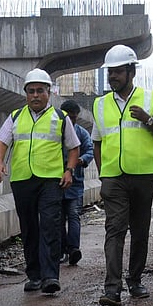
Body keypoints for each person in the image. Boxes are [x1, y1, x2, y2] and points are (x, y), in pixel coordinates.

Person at [92, 44, 153, 306]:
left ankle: (135, 280)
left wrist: (148, 120)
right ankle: (111, 289)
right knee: (114, 230)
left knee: (140, 230)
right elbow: (97, 142)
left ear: (130, 71)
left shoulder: (151, 98)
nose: (112, 77)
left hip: (144, 175)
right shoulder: (100, 105)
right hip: (113, 178)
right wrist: (104, 174)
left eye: (116, 72)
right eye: (109, 73)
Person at [0, 69, 80, 296]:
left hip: (50, 180)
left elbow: (73, 147)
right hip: (22, 179)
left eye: (40, 90)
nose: (35, 95)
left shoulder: (60, 118)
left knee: (50, 224)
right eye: (31, 91)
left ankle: (50, 276)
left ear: (49, 93)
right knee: (29, 228)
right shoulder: (15, 117)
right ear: (26, 94)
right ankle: (34, 275)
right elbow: (1, 142)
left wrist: (69, 171)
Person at [59, 100, 94, 266]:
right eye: (69, 118)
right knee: (57, 218)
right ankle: (60, 250)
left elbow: (90, 150)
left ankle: (73, 248)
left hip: (75, 182)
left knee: (73, 215)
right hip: (56, 182)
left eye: (74, 118)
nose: (71, 122)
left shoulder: (81, 133)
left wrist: (81, 160)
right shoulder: (54, 132)